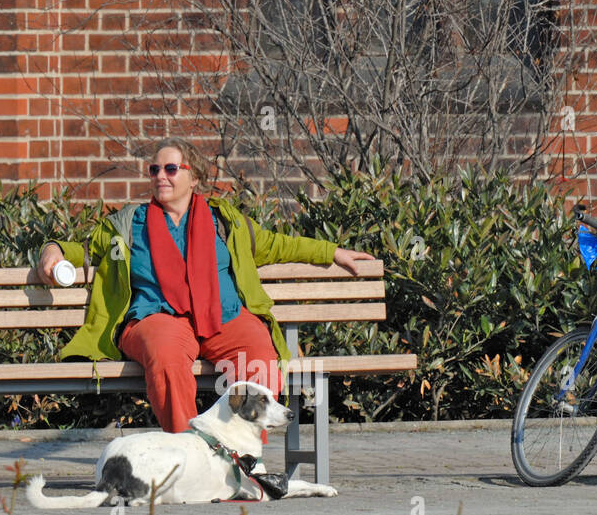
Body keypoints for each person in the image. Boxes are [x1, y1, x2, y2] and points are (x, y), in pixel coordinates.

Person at [38, 138, 376, 433]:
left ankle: (240, 458)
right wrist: (51, 252)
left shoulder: (224, 221)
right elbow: (82, 251)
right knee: (167, 356)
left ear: (194, 177)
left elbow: (277, 245)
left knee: (258, 354)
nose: (160, 176)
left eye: (171, 168)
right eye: (154, 169)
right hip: (157, 317)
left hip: (222, 316)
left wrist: (332, 252)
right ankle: (190, 453)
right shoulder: (127, 225)